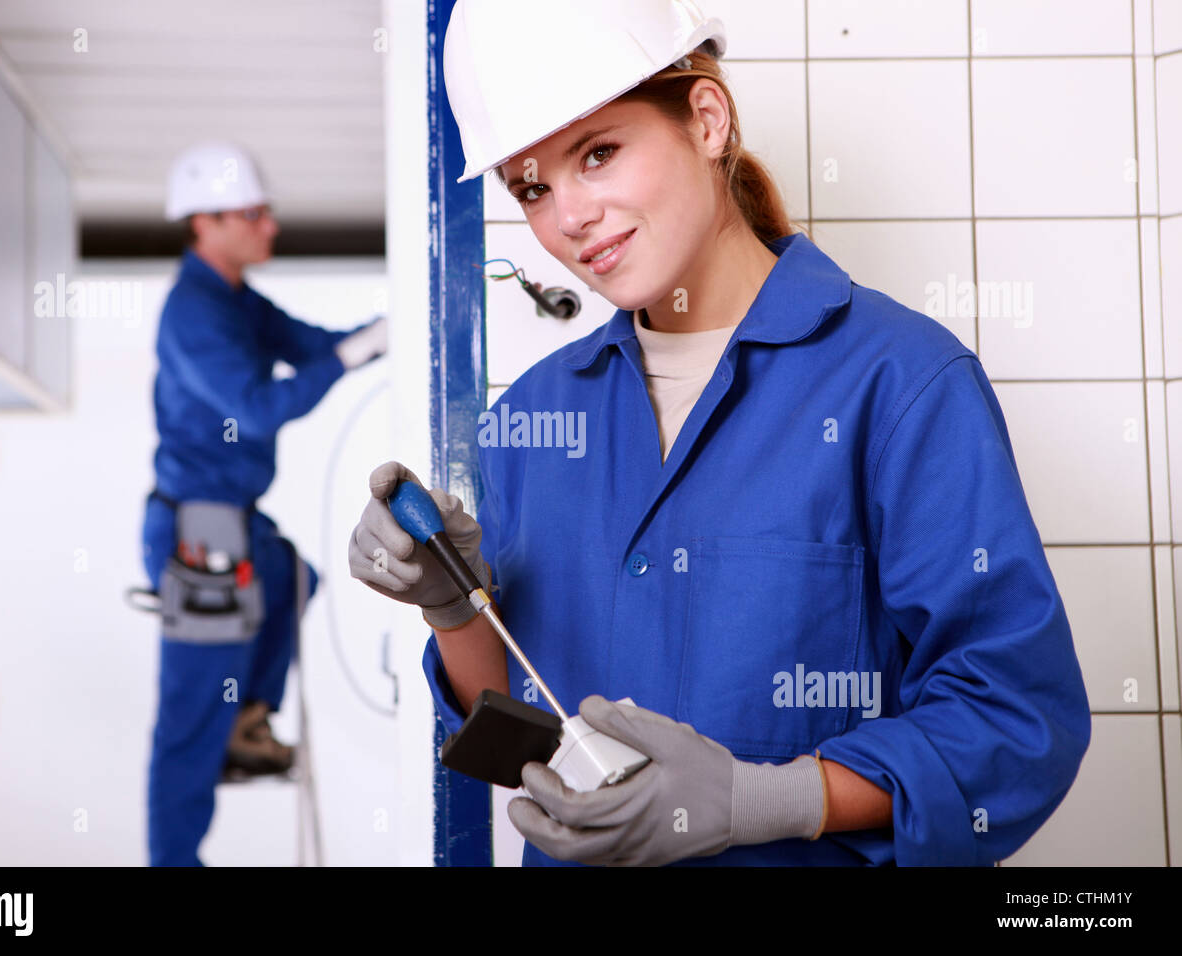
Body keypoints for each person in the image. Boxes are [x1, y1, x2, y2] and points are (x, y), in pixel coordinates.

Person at [349, 0, 1091, 866]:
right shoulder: (533, 419)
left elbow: (1016, 721)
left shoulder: (900, 385)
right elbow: (524, 727)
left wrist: (762, 801)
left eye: (599, 153)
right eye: (534, 188)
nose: (572, 217)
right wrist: (451, 605)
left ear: (707, 119)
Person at [142, 141, 387, 866]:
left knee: (293, 577)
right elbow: (254, 407)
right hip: (198, 526)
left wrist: (381, 336)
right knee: (189, 723)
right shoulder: (193, 311)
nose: (269, 227)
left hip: (231, 520)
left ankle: (246, 722)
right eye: (253, 214)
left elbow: (313, 345)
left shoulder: (237, 300)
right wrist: (349, 356)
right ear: (206, 222)